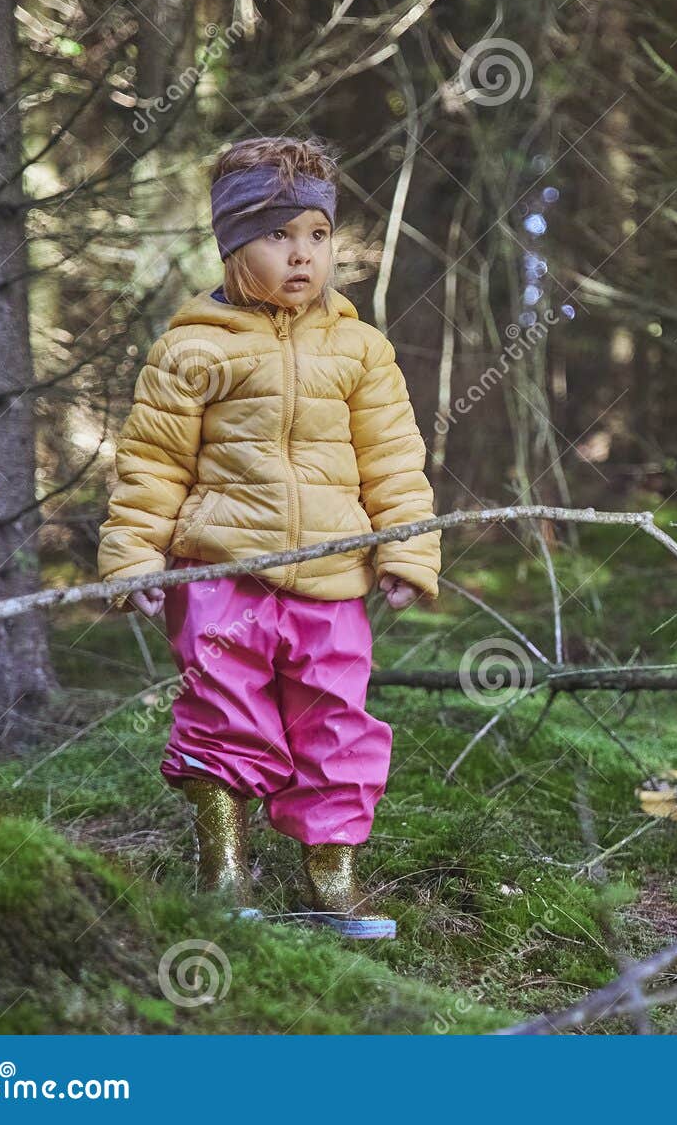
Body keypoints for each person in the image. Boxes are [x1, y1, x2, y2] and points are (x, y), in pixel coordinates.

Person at [97, 135, 440, 939]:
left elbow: (394, 460)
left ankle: (332, 877)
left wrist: (406, 549)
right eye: (278, 236)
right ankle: (223, 870)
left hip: (332, 577)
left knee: (337, 719)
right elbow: (150, 466)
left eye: (316, 236)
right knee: (225, 711)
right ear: (230, 243)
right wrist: (135, 556)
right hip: (221, 574)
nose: (302, 256)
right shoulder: (191, 348)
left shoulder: (361, 351)